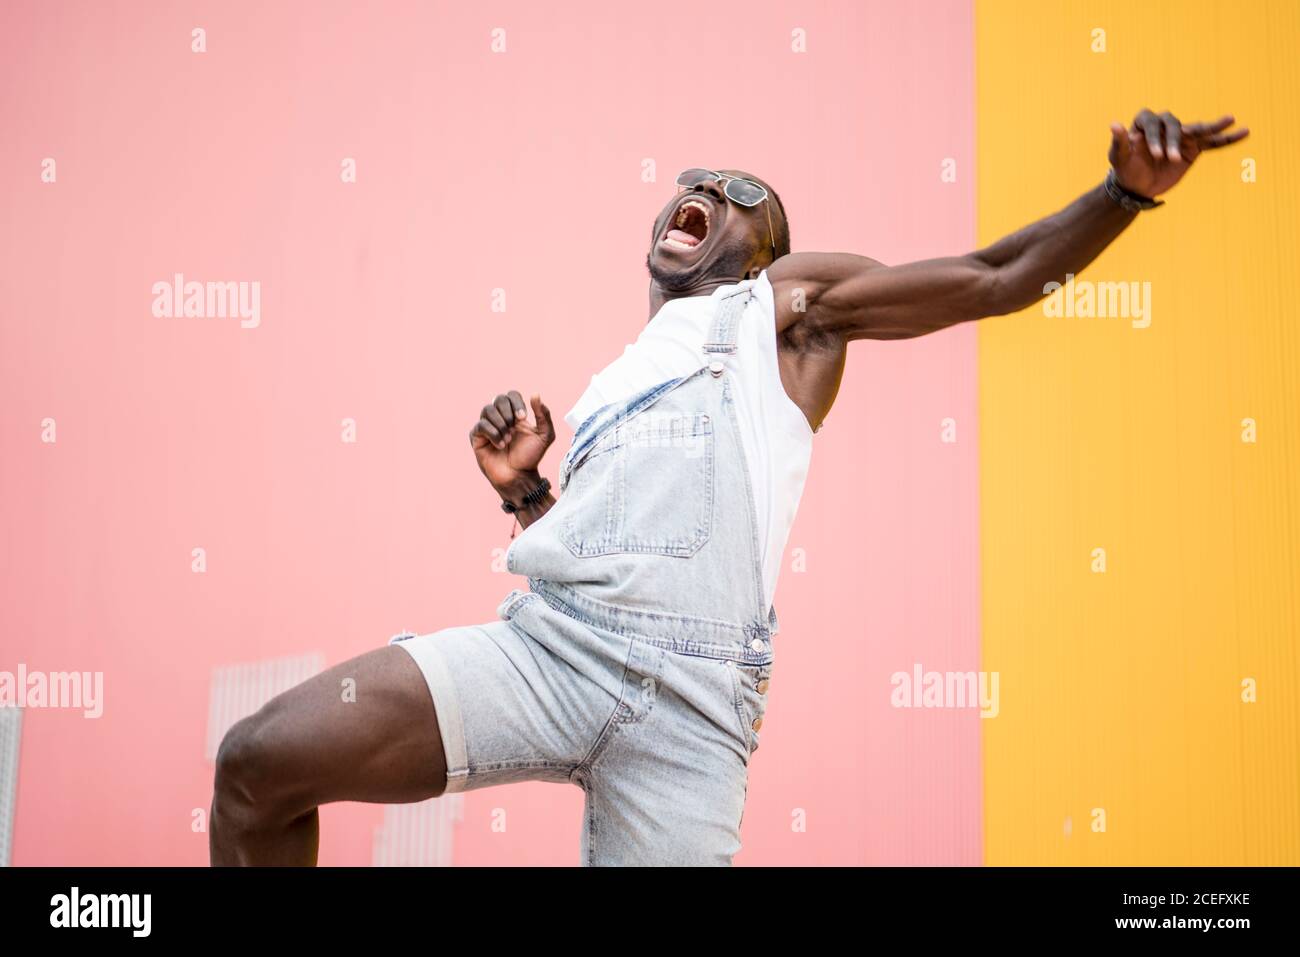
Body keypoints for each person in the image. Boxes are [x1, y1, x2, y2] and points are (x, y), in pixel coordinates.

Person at [209, 110, 1248, 866]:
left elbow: (991, 275)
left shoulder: (781, 313)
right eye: (694, 180)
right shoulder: (619, 381)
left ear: (769, 253)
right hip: (550, 651)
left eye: (742, 195)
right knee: (257, 765)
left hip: (689, 712)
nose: (705, 190)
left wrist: (1123, 196)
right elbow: (619, 559)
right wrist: (527, 493)